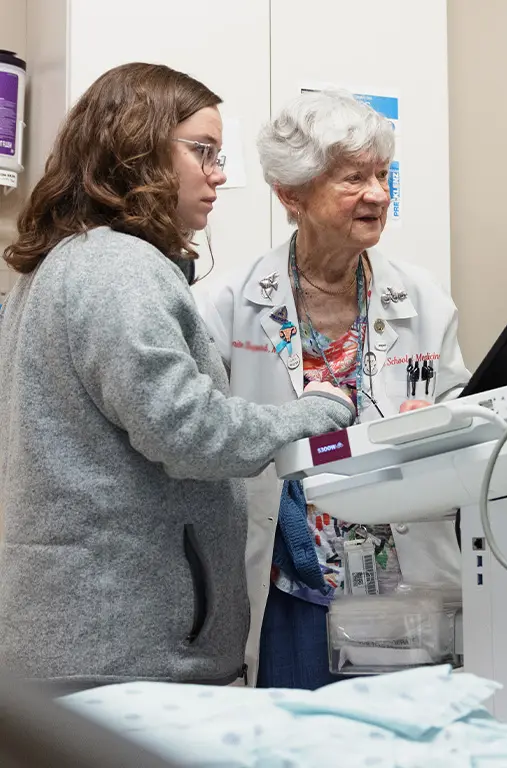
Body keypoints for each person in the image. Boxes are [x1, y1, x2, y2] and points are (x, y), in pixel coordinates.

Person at [0, 64, 354, 693]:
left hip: (87, 639)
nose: (219, 174)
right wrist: (314, 408)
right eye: (204, 152)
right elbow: (188, 431)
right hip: (126, 648)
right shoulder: (117, 268)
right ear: (136, 146)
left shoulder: (63, 263)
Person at [193, 89, 471, 689]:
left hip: (406, 584)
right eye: (353, 178)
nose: (376, 193)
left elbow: (462, 421)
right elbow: (202, 436)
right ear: (292, 194)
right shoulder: (228, 304)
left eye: (381, 174)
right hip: (287, 582)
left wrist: (441, 422)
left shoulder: (421, 298)